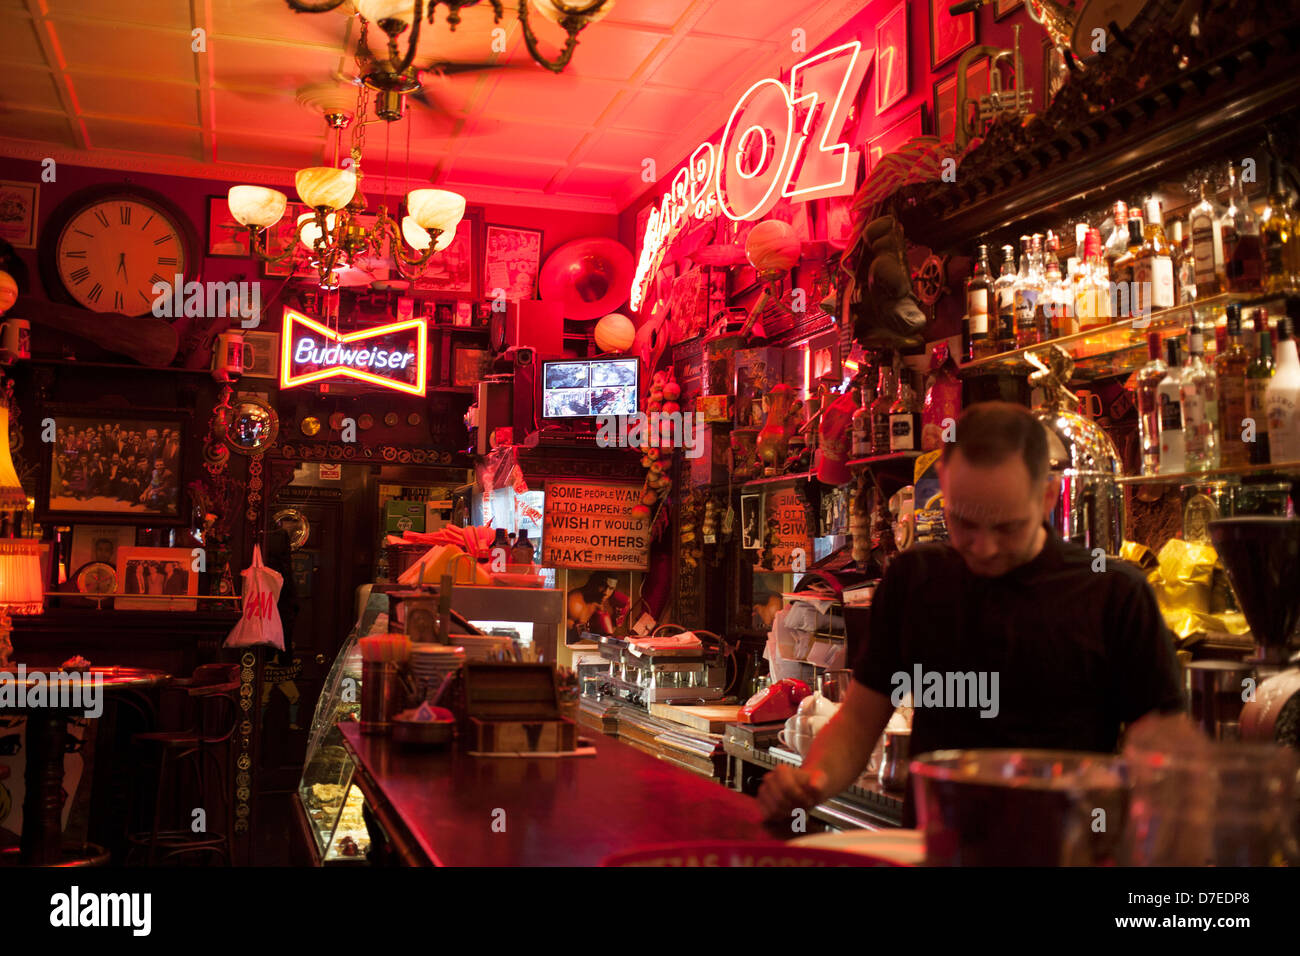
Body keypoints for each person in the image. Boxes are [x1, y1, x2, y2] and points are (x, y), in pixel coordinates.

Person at [757, 401, 1184, 827]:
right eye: (964, 522)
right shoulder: (915, 580)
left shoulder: (1113, 594)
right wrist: (809, 782)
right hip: (937, 845)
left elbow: (1162, 751)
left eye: (1006, 527)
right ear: (943, 486)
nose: (984, 546)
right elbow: (858, 723)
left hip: (1063, 850)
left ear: (1049, 494)